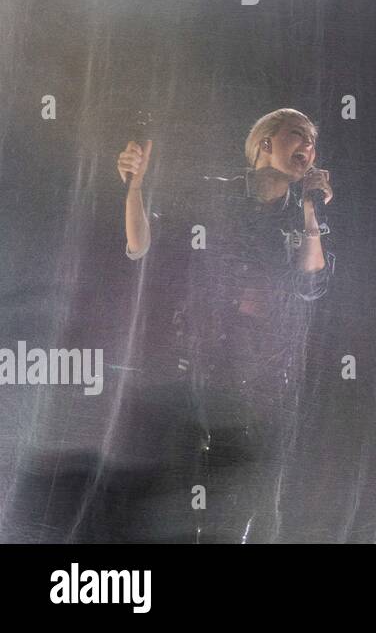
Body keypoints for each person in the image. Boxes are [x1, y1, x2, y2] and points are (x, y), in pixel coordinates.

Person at [114, 108, 335, 542]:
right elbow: (140, 246)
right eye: (297, 136)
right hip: (196, 370)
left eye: (312, 140)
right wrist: (136, 187)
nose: (308, 147)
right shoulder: (213, 196)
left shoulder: (306, 213)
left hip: (267, 379)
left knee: (243, 507)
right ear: (266, 144)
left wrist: (311, 214)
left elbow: (312, 286)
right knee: (178, 502)